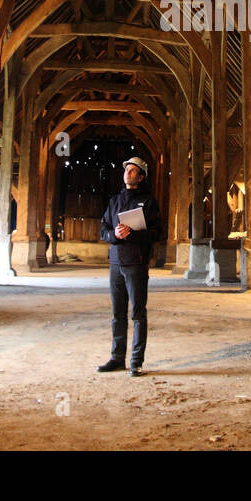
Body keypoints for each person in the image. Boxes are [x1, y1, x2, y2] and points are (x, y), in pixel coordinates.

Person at [97, 156, 163, 377]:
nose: (129, 173)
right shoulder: (115, 201)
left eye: (134, 171)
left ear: (141, 177)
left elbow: (156, 233)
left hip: (137, 262)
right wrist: (113, 234)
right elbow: (103, 229)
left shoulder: (149, 202)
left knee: (137, 314)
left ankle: (136, 361)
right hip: (116, 263)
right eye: (127, 169)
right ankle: (117, 359)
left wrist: (134, 234)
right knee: (117, 314)